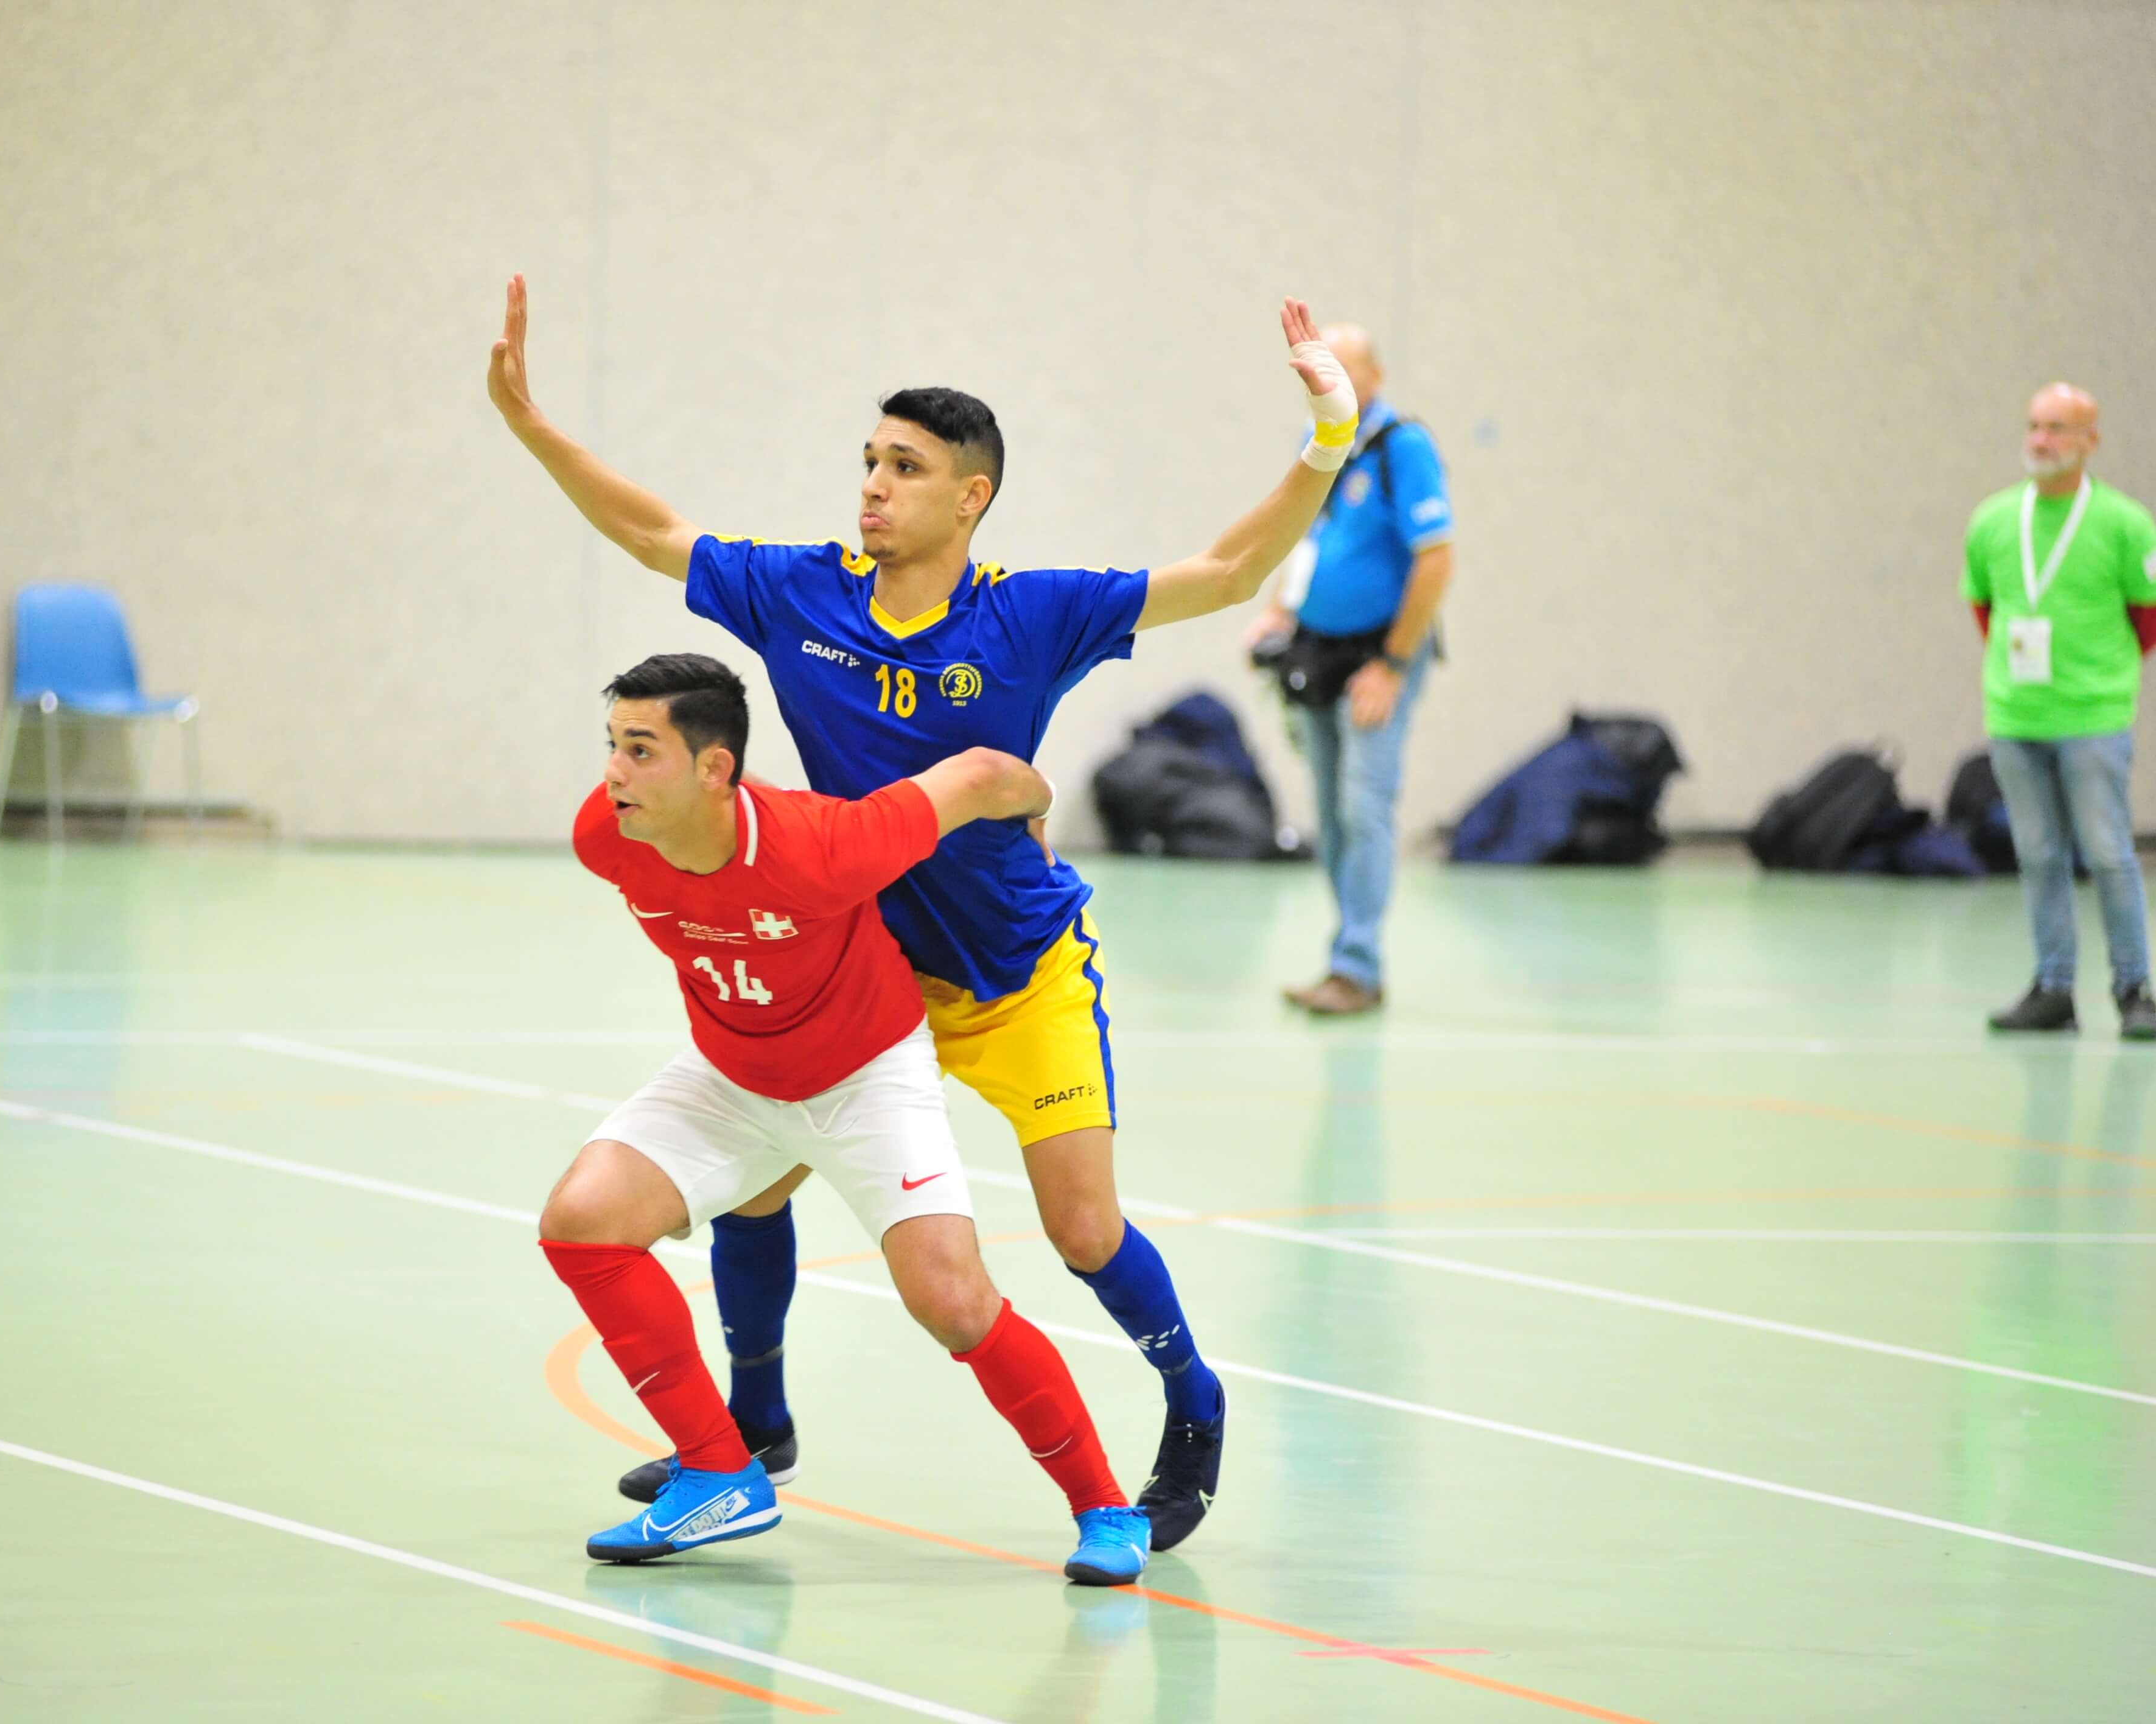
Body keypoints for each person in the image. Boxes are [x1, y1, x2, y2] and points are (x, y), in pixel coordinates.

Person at [489, 273, 1356, 1551]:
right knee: (750, 1183)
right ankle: (757, 1427)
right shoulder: (804, 596)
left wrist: (1325, 440)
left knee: (1078, 1230)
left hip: (1017, 968)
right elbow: (651, 531)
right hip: (878, 976)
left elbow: (1229, 574)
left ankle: (1190, 1395)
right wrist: (532, 426)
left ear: (971, 494)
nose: (873, 486)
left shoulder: (1033, 613)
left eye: (904, 466)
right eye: (867, 461)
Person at [540, 653, 1152, 1584]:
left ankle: (1106, 1510)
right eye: (611, 747)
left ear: (714, 769)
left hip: (868, 1081)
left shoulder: (822, 843)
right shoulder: (606, 836)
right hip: (733, 1075)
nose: (614, 773)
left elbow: (982, 774)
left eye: (640, 749)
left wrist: (1033, 809)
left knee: (952, 1302)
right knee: (581, 1224)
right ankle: (717, 1469)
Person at [1242, 324, 1454, 1016]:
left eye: (1342, 366)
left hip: (1376, 658)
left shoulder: (1403, 449)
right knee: (1333, 815)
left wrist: (1391, 666)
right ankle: (1345, 958)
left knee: (1364, 808)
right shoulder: (1327, 447)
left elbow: (1434, 559)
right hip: (1317, 652)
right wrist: (1280, 611)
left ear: (1374, 374)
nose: (1329, 378)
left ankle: (1356, 966)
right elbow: (1310, 540)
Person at [1965, 382, 2156, 1040]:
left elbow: (2152, 618)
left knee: (2108, 854)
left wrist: (2097, 676)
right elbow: (1983, 609)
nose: (2040, 439)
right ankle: (2053, 988)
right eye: (2032, 425)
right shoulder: (1993, 521)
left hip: (2093, 717)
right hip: (2016, 717)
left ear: (2089, 442)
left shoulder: (2124, 523)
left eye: (2057, 428)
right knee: (2037, 855)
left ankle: (2132, 988)